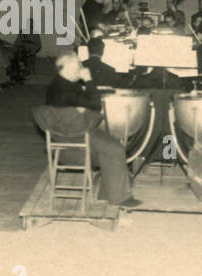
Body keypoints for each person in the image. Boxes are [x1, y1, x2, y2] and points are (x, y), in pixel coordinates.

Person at [44, 50, 140, 210]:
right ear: (69, 66)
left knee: (110, 145)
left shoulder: (57, 84)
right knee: (116, 149)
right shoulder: (66, 89)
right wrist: (88, 80)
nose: (81, 67)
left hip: (65, 137)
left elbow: (83, 105)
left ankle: (108, 191)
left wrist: (83, 104)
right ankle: (119, 198)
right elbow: (96, 104)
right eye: (79, 64)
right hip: (75, 141)